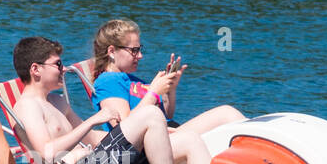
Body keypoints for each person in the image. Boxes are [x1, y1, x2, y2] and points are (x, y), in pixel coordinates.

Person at [10, 36, 203, 164]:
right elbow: (48, 153)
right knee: (150, 114)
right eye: (58, 64)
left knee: (188, 139)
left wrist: (149, 134)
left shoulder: (56, 101)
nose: (63, 68)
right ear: (35, 69)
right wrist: (92, 120)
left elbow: (93, 138)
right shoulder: (28, 107)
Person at [90, 18, 244, 145]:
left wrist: (170, 90)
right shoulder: (107, 81)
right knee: (226, 114)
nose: (140, 56)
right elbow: (124, 130)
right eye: (134, 50)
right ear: (111, 51)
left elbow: (167, 115)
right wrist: (153, 92)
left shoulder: (132, 80)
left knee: (228, 117)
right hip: (150, 149)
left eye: (140, 49)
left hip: (168, 135)